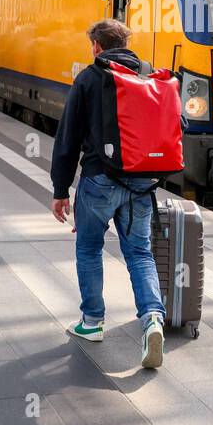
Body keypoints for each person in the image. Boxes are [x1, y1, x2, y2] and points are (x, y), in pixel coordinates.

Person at [50, 19, 165, 370]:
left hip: (100, 179)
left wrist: (60, 189)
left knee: (88, 248)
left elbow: (67, 138)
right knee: (140, 253)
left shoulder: (89, 77)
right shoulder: (149, 75)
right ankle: (152, 320)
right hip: (142, 184)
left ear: (97, 45)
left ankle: (93, 321)